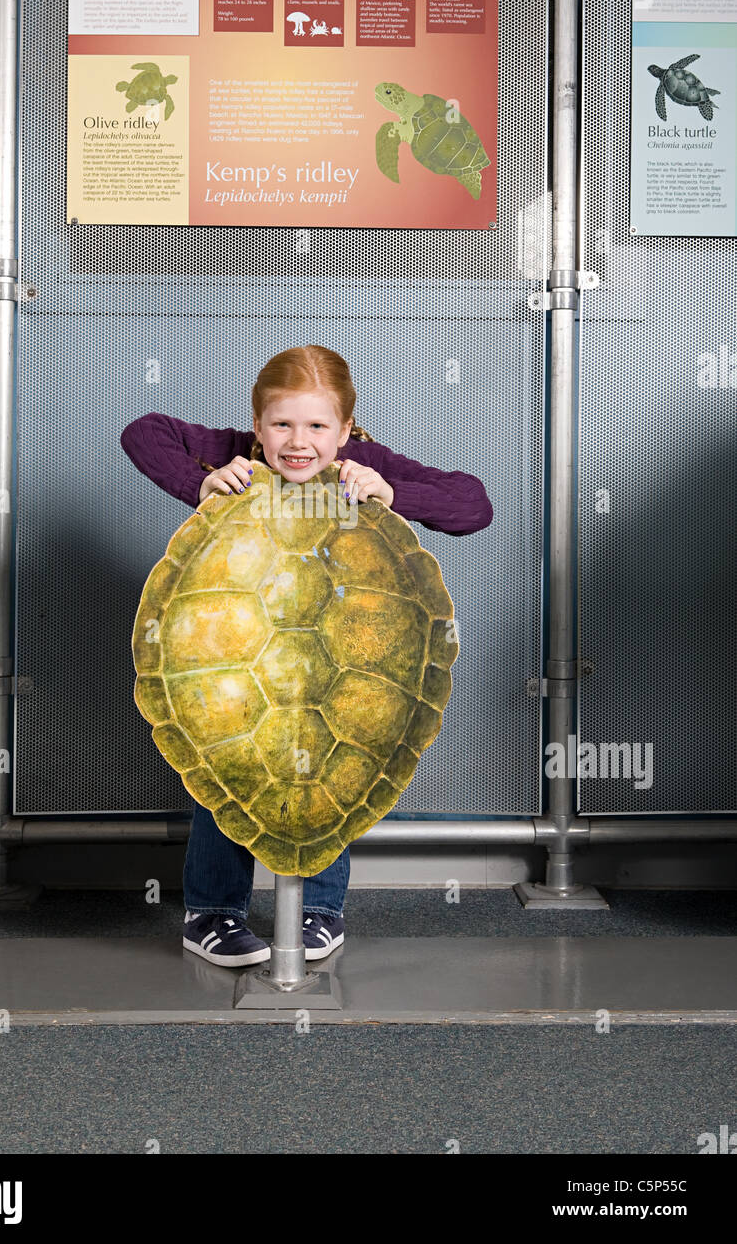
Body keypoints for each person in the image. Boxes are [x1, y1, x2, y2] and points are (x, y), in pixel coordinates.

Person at [120, 344, 493, 968]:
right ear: (258, 423)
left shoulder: (361, 465)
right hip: (240, 649)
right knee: (227, 765)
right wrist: (201, 482)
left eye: (318, 426)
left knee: (333, 760)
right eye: (282, 424)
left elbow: (472, 506)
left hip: (338, 654)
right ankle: (212, 912)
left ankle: (321, 908)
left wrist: (392, 491)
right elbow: (144, 433)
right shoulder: (234, 454)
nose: (299, 442)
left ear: (345, 430)